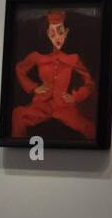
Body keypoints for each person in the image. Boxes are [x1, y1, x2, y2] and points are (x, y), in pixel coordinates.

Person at [11, 10, 97, 140]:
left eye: (60, 32)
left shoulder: (73, 58)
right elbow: (19, 69)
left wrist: (76, 97)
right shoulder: (37, 56)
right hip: (41, 105)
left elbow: (90, 83)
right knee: (18, 115)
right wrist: (34, 88)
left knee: (90, 129)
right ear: (47, 34)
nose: (57, 37)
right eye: (53, 33)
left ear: (66, 33)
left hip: (64, 107)